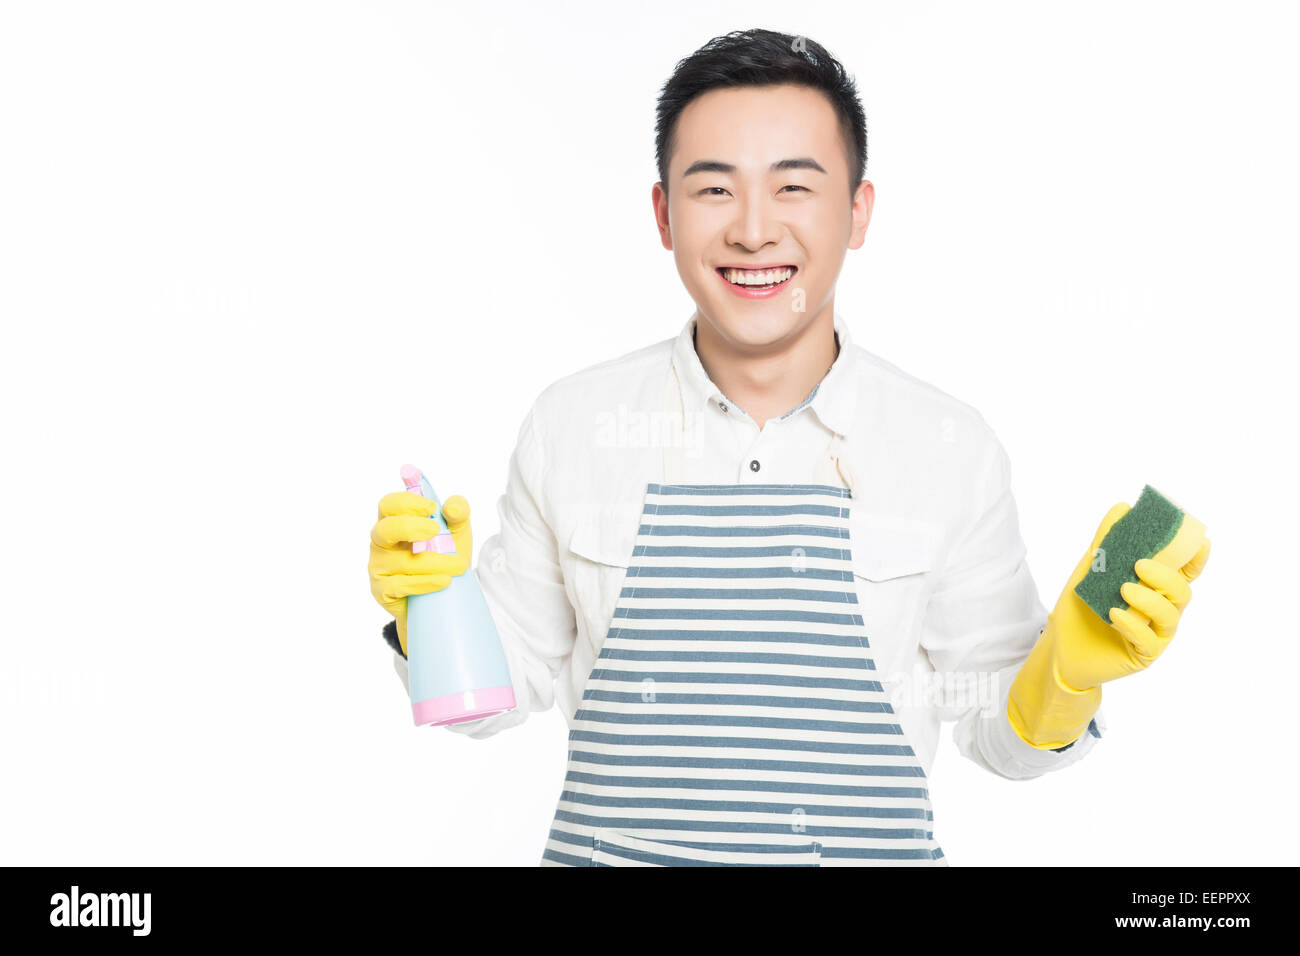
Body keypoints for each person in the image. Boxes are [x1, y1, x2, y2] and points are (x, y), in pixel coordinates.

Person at [366, 28, 1210, 866]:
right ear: (663, 215)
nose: (755, 231)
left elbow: (1000, 733)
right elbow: (499, 691)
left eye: (794, 187)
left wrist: (1065, 675)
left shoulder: (948, 449)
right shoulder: (572, 424)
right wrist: (433, 614)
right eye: (715, 190)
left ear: (858, 212)